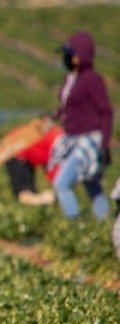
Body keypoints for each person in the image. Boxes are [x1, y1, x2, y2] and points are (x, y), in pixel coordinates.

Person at [50, 31, 113, 220]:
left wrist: (104, 145)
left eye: (70, 54)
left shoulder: (91, 79)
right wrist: (55, 115)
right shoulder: (70, 80)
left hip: (89, 139)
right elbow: (68, 107)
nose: (66, 58)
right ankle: (104, 223)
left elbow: (106, 112)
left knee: (61, 183)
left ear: (80, 56)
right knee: (90, 183)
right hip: (72, 137)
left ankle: (75, 224)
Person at [5, 122, 62, 205]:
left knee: (27, 191)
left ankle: (49, 199)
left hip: (18, 144)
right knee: (24, 195)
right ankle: (51, 200)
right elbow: (54, 173)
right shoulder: (59, 143)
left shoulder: (60, 135)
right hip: (15, 150)